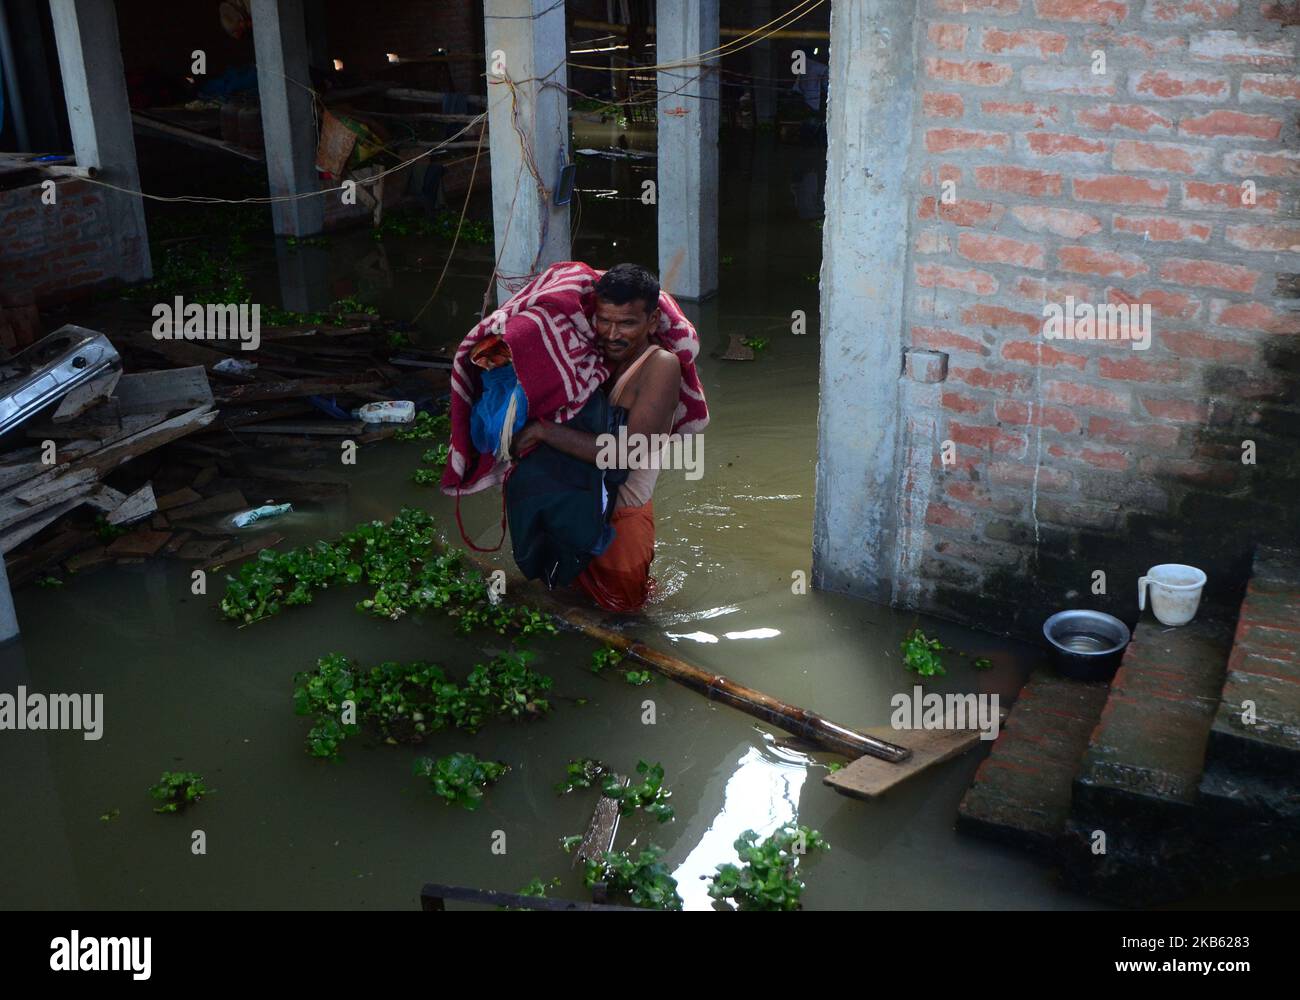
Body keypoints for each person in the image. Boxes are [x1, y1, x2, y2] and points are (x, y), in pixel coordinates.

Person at [510, 264, 681, 612]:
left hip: (620, 528)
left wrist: (544, 431)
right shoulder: (593, 358)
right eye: (605, 320)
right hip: (576, 512)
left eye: (628, 323)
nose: (613, 333)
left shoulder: (661, 365)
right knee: (569, 605)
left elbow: (627, 454)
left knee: (625, 620)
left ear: (652, 322)